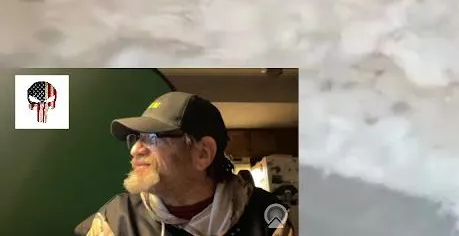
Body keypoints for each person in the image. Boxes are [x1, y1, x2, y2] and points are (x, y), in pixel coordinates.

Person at [75, 91, 298, 236]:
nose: (135, 150)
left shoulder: (269, 219)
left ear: (202, 153)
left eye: (152, 137)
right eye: (136, 138)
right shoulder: (115, 221)